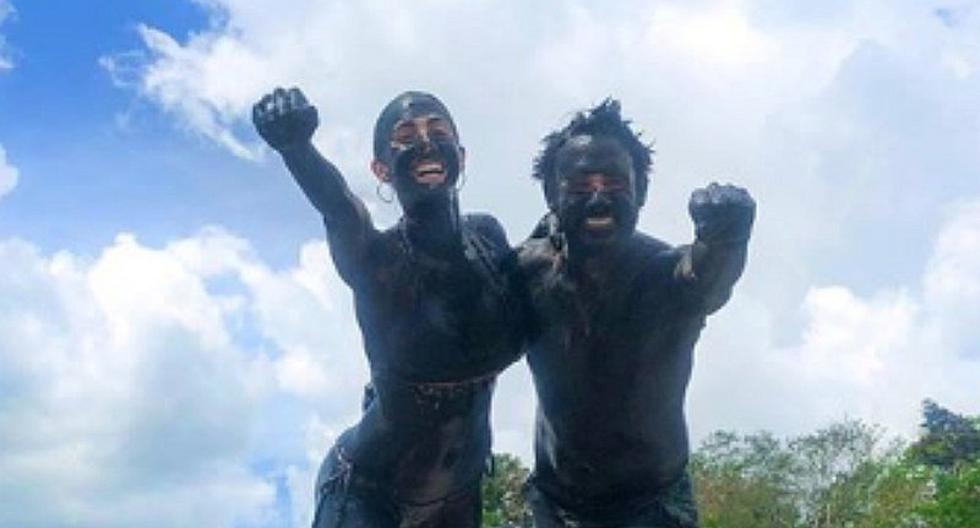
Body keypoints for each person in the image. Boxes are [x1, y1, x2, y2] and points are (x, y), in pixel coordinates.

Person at [252, 87, 526, 528]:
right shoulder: (375, 260)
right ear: (380, 169)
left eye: (438, 130)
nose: (424, 141)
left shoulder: (488, 239)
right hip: (366, 492)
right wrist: (295, 147)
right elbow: (338, 207)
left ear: (461, 153)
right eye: (406, 134)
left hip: (455, 496)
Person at [519, 100, 755, 527]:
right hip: (557, 505)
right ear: (552, 196)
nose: (597, 198)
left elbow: (709, 278)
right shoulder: (526, 275)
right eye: (579, 186)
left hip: (653, 504)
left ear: (640, 192)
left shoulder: (667, 277)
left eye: (613, 183)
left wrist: (728, 237)